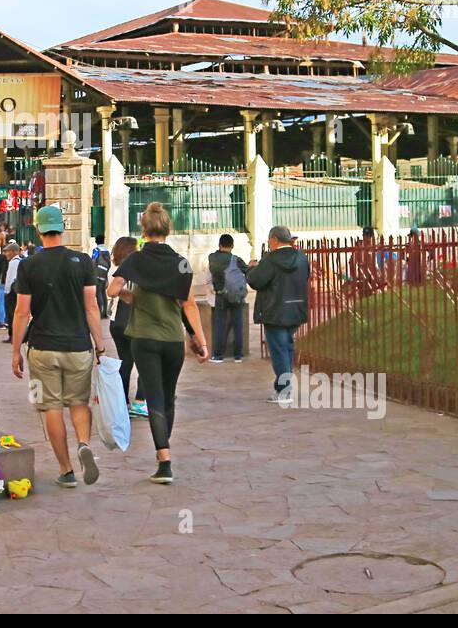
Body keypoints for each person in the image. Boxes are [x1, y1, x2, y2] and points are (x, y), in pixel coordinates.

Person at [107, 202, 209, 485]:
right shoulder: (181, 262)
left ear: (143, 228)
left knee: (153, 396)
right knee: (168, 396)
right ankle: (165, 449)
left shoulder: (136, 260)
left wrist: (130, 296)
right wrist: (200, 340)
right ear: (168, 228)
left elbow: (113, 289)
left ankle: (164, 459)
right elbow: (188, 304)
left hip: (144, 338)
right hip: (172, 339)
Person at [9, 204, 103, 489]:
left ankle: (66, 470)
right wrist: (99, 344)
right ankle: (84, 443)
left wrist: (15, 351)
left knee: (50, 407)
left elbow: (22, 312)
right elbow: (92, 307)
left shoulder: (28, 265)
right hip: (78, 346)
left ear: (38, 230)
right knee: (78, 402)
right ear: (63, 228)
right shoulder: (83, 261)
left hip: (42, 347)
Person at [246, 225, 310, 404]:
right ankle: (285, 385)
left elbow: (255, 280)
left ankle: (284, 390)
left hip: (275, 310)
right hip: (296, 309)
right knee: (287, 347)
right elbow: (306, 277)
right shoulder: (301, 257)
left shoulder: (270, 259)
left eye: (269, 240)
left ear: (274, 240)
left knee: (279, 349)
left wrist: (251, 269)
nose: (269, 244)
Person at [107, 236, 147, 418]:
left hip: (116, 322)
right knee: (145, 363)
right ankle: (140, 402)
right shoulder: (137, 268)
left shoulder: (112, 269)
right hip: (135, 321)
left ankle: (123, 401)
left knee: (125, 362)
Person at [208, 234, 249, 363]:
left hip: (220, 294)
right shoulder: (236, 259)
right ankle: (238, 355)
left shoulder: (212, 257)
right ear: (232, 246)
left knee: (219, 324)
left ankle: (218, 355)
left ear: (219, 245)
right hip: (236, 295)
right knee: (237, 323)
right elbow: (247, 271)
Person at [2, 241, 23, 337]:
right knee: (11, 315)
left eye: (8, 251)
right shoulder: (14, 262)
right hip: (12, 292)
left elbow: (12, 279)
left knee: (11, 315)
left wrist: (7, 291)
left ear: (14, 252)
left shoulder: (15, 263)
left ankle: (13, 336)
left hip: (11, 293)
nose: (6, 254)